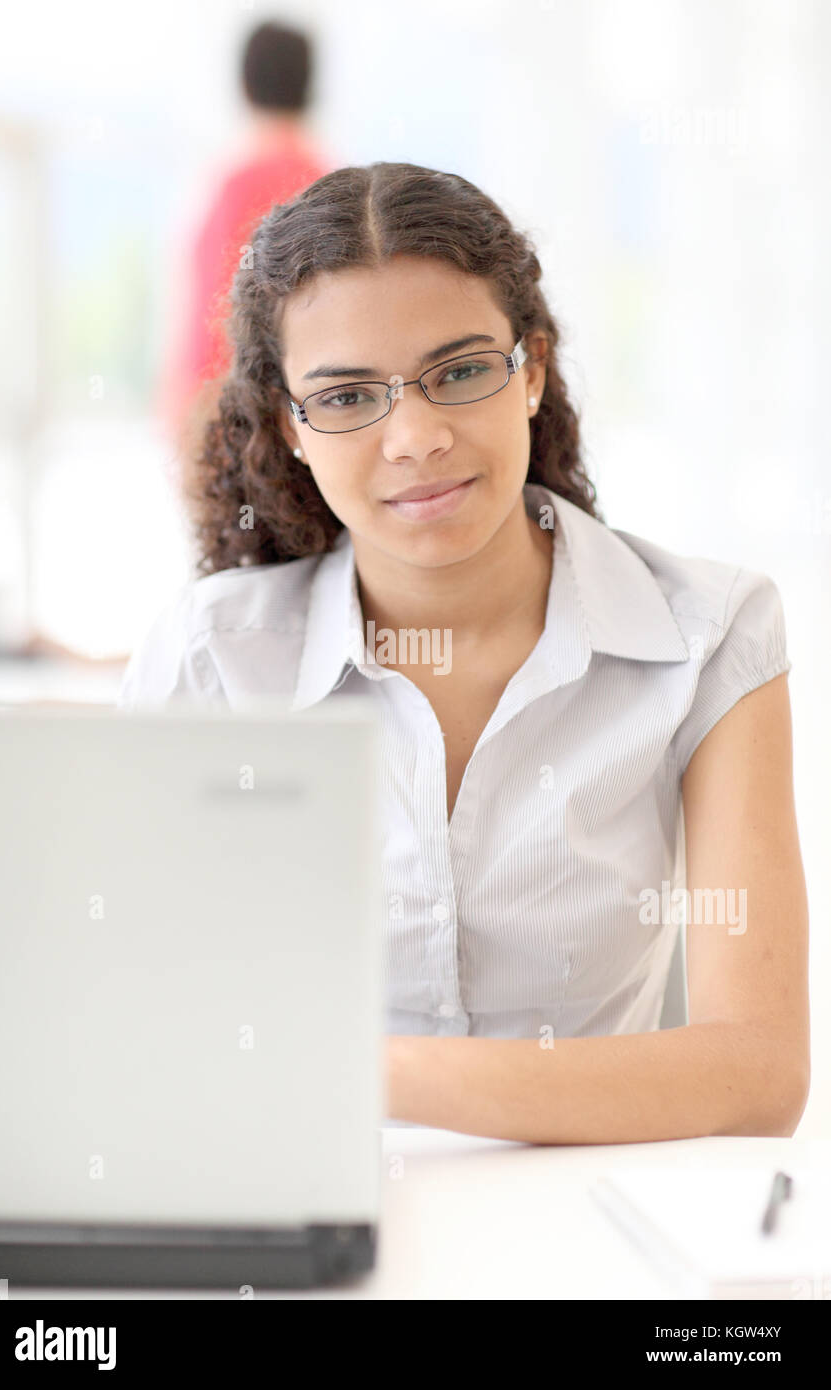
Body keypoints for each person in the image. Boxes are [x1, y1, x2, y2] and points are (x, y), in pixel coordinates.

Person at [119, 161, 810, 1146]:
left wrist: (362, 1069)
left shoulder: (708, 635)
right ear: (291, 426)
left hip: (594, 1232)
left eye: (458, 372)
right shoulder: (211, 659)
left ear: (529, 370)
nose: (414, 436)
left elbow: (757, 1069)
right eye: (349, 396)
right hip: (298, 1224)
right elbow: (126, 1021)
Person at [159, 19, 332, 502]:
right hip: (319, 422)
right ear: (311, 84)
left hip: (235, 425)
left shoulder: (232, 186)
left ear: (243, 84)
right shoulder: (337, 186)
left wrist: (185, 424)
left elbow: (209, 322)